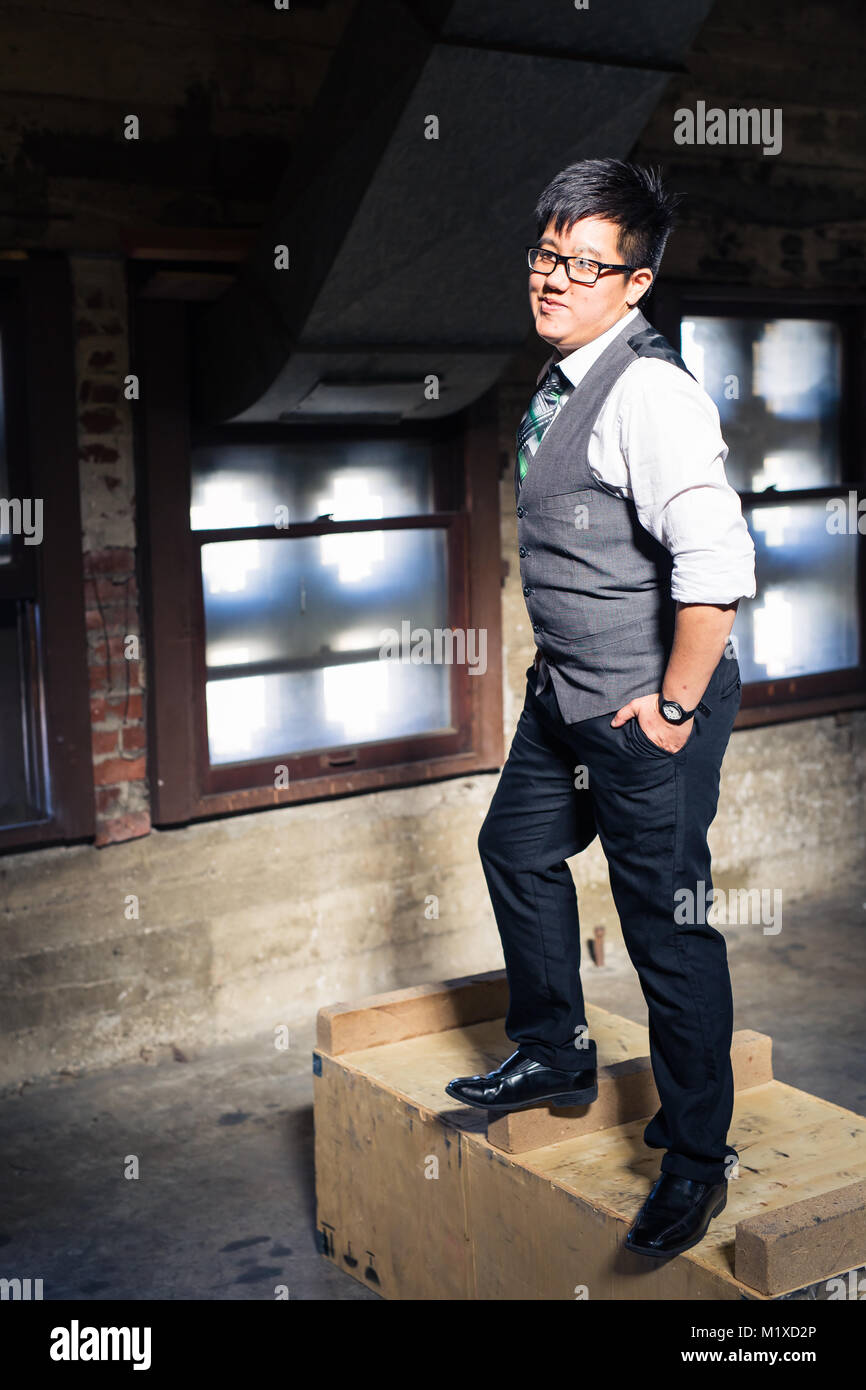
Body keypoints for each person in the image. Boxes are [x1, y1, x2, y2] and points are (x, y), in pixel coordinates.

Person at [445, 158, 756, 1259]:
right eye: (545, 253)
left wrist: (670, 708)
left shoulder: (650, 393)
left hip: (645, 710)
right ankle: (554, 1048)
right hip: (565, 696)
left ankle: (694, 1158)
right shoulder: (564, 374)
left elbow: (713, 568)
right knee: (515, 848)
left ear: (635, 283)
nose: (554, 278)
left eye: (584, 264)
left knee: (663, 934)